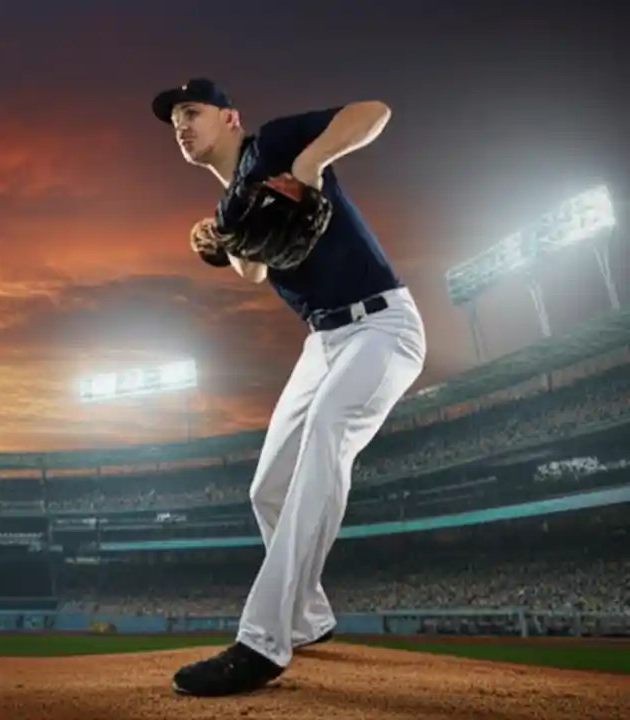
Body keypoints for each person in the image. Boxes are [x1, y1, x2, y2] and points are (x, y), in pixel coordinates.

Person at [150, 78, 427, 696]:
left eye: (192, 113)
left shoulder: (274, 142)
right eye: (175, 124)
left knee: (326, 441)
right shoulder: (232, 206)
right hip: (323, 342)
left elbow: (375, 110)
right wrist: (222, 241)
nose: (182, 127)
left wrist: (308, 165)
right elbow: (254, 271)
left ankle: (263, 641)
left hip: (381, 325)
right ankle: (311, 617)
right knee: (267, 486)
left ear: (229, 118)